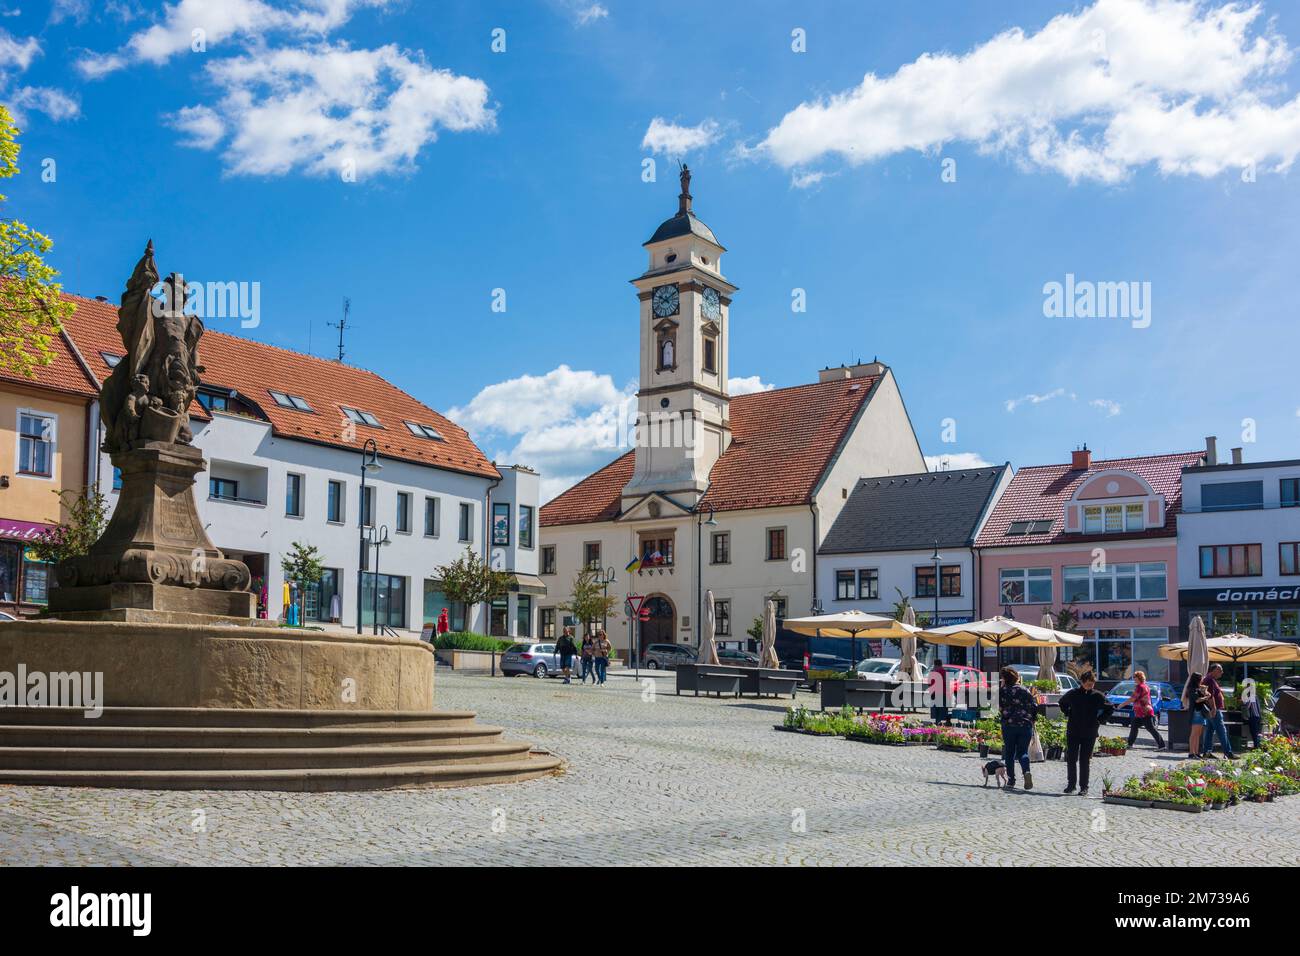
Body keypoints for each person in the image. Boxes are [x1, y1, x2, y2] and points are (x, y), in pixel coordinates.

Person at [1058, 671, 1114, 795]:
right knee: (1071, 758)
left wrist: (1100, 720)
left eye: (1092, 684)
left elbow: (1110, 708)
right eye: (1088, 684)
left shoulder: (1097, 695)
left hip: (1090, 731)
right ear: (1082, 683)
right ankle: (1071, 785)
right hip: (1073, 730)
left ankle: (1084, 787)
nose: (1090, 686)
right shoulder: (1073, 693)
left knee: (1085, 760)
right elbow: (1062, 702)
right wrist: (1068, 713)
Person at [998, 667, 1038, 791]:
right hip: (1025, 725)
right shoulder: (1024, 690)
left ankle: (1011, 780)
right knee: (1023, 752)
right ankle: (1026, 772)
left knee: (1009, 753)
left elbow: (999, 707)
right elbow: (1034, 706)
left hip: (1009, 725)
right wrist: (1032, 719)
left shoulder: (1002, 691)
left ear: (1004, 678)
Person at [1199, 663, 1236, 759]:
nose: (1222, 672)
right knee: (1221, 731)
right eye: (1220, 670)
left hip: (1212, 710)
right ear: (1214, 670)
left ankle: (1207, 752)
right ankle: (1228, 752)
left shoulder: (1209, 680)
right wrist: (1214, 708)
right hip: (1214, 710)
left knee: (1209, 731)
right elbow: (1210, 696)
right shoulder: (1210, 680)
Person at [1125, 670, 1166, 750]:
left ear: (1139, 678)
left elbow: (1133, 698)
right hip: (1142, 712)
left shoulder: (1140, 687)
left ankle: (1162, 745)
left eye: (1135, 677)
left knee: (1151, 728)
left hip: (1144, 712)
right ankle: (1130, 744)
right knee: (1134, 726)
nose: (1134, 679)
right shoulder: (1145, 686)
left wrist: (1122, 705)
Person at [1183, 671, 1211, 757]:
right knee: (1194, 733)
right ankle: (1191, 752)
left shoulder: (1197, 688)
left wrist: (1206, 693)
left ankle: (1196, 752)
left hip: (1200, 711)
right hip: (1196, 711)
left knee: (1198, 733)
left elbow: (1202, 697)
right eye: (1201, 678)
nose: (1202, 679)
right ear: (1198, 679)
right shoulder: (1192, 688)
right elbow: (1197, 700)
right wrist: (1206, 697)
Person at [1242, 679, 1264, 750]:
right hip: (1258, 716)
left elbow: (1247, 706)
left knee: (1254, 732)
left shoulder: (1251, 696)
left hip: (1253, 716)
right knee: (1256, 732)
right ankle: (1257, 746)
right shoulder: (1255, 696)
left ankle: (1256, 747)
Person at [929, 656, 951, 725]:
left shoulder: (934, 672)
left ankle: (938, 721)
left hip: (936, 693)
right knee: (942, 708)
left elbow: (930, 683)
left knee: (937, 708)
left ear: (936, 665)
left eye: (934, 665)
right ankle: (943, 721)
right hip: (943, 693)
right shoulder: (944, 672)